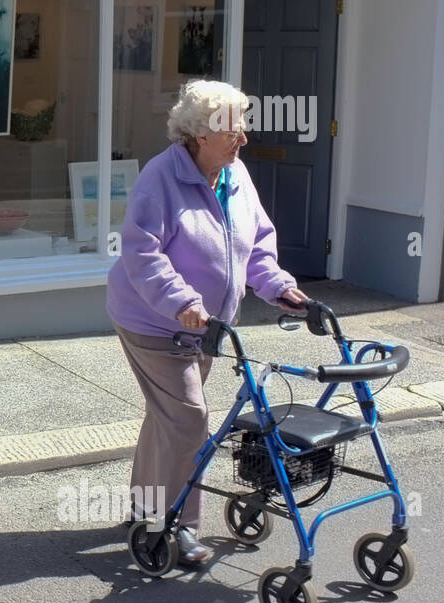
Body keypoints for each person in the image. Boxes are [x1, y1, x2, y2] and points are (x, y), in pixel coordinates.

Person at [106, 79, 308, 565]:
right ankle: (178, 526)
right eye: (233, 131)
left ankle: (145, 506)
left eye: (243, 129)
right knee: (189, 419)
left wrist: (277, 285)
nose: (243, 140)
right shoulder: (161, 177)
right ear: (199, 134)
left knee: (170, 417)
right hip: (154, 322)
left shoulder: (235, 174)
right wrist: (179, 301)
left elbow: (257, 243)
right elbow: (141, 250)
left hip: (210, 327)